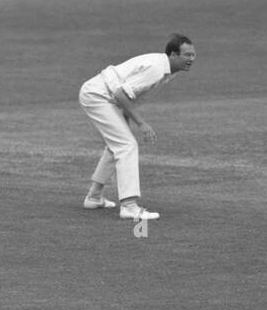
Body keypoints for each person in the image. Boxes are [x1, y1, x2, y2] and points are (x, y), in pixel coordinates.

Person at [78, 34, 196, 221]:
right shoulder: (157, 69)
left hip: (105, 95)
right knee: (126, 145)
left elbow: (128, 95)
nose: (191, 59)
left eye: (193, 55)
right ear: (173, 55)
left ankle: (94, 197)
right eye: (187, 55)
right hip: (98, 95)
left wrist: (128, 121)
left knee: (117, 145)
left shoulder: (166, 71)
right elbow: (120, 94)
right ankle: (129, 206)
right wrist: (141, 123)